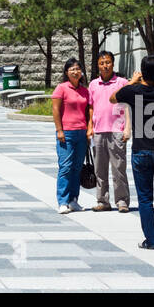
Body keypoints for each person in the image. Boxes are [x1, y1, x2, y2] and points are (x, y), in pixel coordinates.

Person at [112, 55, 154, 249]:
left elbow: (112, 98)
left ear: (142, 71)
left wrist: (133, 81)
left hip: (140, 150)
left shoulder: (132, 91)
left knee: (144, 198)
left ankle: (151, 240)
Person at [86, 52, 130, 212]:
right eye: (102, 63)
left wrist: (127, 128)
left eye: (108, 62)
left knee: (119, 168)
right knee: (100, 169)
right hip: (98, 131)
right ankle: (103, 201)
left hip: (117, 131)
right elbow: (91, 107)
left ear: (113, 64)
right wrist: (90, 126)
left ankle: (122, 201)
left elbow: (127, 106)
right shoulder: (93, 85)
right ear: (98, 65)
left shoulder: (122, 82)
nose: (105, 65)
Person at [51, 58, 90, 214]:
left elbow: (88, 111)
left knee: (77, 168)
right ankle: (62, 201)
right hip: (66, 132)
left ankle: (74, 200)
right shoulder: (61, 88)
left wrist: (89, 129)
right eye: (72, 69)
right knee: (65, 167)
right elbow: (55, 110)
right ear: (66, 72)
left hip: (81, 132)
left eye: (78, 69)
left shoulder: (84, 90)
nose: (75, 72)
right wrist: (59, 130)